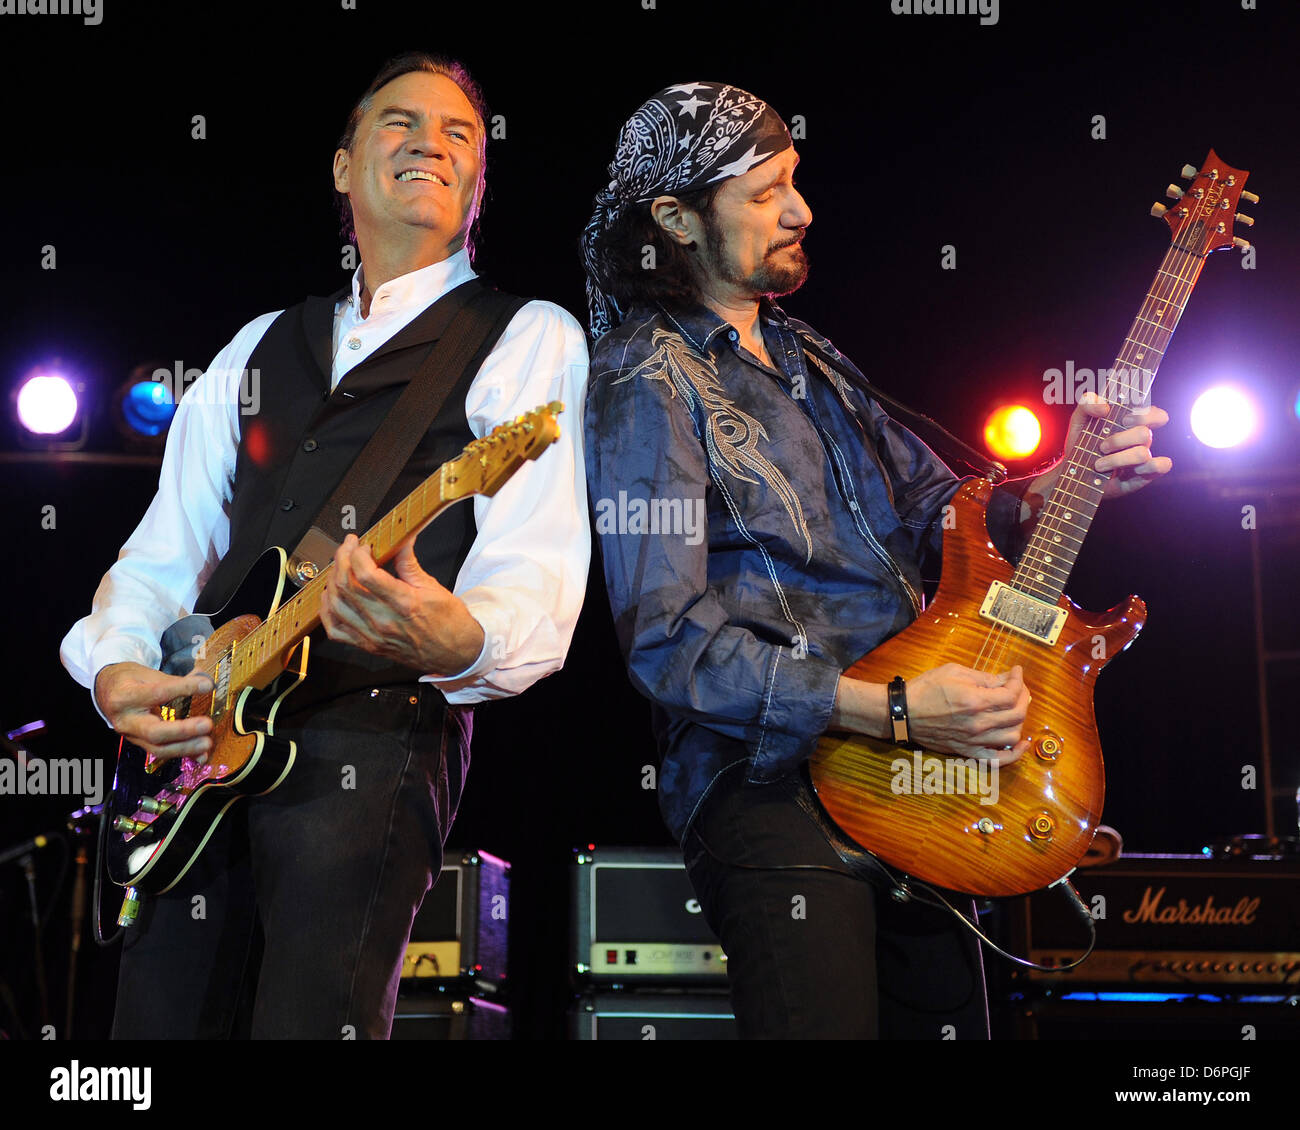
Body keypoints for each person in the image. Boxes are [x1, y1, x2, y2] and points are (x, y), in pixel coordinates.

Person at [580, 82, 1170, 1039]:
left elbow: (948, 512)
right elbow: (665, 642)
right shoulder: (643, 377)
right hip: (771, 791)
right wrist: (892, 707)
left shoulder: (813, 358)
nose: (801, 210)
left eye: (796, 183)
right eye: (766, 191)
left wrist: (1072, 477)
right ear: (677, 219)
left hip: (917, 775)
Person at [59, 52, 589, 1039]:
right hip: (195, 743)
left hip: (370, 734)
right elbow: (162, 553)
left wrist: (460, 636)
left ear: (479, 184)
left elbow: (535, 568)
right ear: (342, 167)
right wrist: (115, 667)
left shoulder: (527, 337)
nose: (429, 140)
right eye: (398, 121)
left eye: (459, 132)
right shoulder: (256, 344)